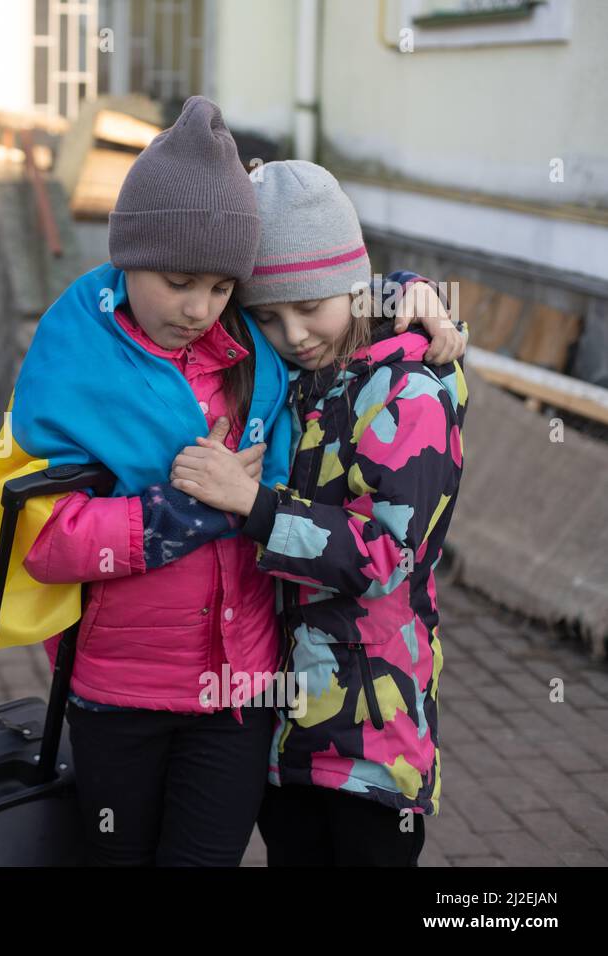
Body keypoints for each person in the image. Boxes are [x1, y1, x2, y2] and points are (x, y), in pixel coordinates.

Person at [170, 160, 468, 866]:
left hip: (374, 745)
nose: (294, 333)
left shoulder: (410, 396)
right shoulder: (292, 385)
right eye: (267, 316)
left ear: (353, 287)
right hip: (287, 736)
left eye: (310, 306)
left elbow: (381, 556)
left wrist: (252, 503)